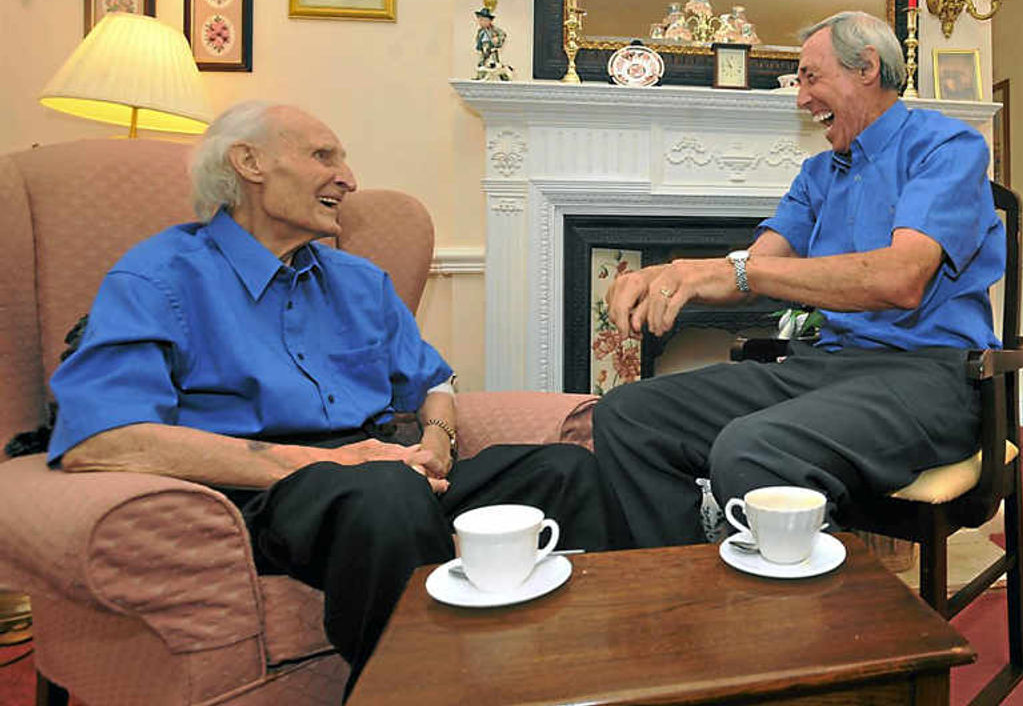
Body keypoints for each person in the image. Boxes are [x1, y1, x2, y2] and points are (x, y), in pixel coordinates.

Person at [46, 101, 621, 697]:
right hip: (262, 490)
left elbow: (433, 384)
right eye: (324, 156)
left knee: (564, 469)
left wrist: (436, 446)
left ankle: (585, 682)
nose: (348, 178)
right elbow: (99, 439)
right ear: (248, 163)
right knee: (384, 490)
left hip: (384, 474)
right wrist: (336, 462)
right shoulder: (160, 276)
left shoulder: (358, 280)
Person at [593, 11, 1003, 548]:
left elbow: (900, 279)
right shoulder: (817, 175)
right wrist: (672, 276)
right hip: (826, 369)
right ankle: (679, 597)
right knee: (629, 415)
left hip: (928, 380)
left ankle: (832, 625)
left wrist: (738, 269)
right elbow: (753, 270)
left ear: (868, 68)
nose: (800, 99)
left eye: (811, 77)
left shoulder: (946, 147)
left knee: (752, 449)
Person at [473, 7, 510, 80]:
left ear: (489, 21)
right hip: (484, 49)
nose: (481, 22)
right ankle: (480, 76)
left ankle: (503, 76)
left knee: (495, 64)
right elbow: (478, 40)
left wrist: (497, 39)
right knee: (482, 63)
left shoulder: (494, 30)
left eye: (484, 20)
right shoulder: (480, 31)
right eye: (480, 20)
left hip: (491, 49)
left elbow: (503, 34)